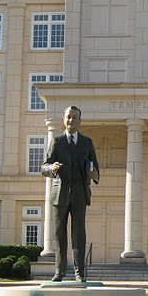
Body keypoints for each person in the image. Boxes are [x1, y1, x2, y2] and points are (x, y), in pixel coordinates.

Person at [42, 106, 100, 282]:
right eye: (68, 117)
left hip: (80, 193)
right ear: (63, 119)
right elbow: (44, 166)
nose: (71, 120)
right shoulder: (56, 142)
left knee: (78, 234)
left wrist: (94, 175)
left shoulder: (87, 142)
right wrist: (52, 168)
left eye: (75, 118)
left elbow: (96, 168)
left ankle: (79, 273)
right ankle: (59, 272)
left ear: (80, 121)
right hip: (59, 192)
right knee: (59, 234)